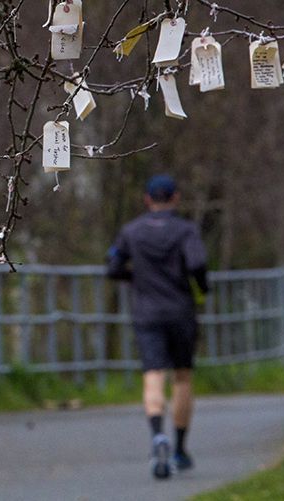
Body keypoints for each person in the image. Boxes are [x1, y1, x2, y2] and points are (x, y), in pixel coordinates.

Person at [106, 174, 209, 480]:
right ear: (176, 198)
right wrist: (202, 289)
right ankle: (178, 448)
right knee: (182, 378)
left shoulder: (131, 231)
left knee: (153, 376)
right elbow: (197, 265)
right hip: (180, 312)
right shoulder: (186, 230)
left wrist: (135, 278)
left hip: (147, 313)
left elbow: (112, 268)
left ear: (147, 200)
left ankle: (156, 436)